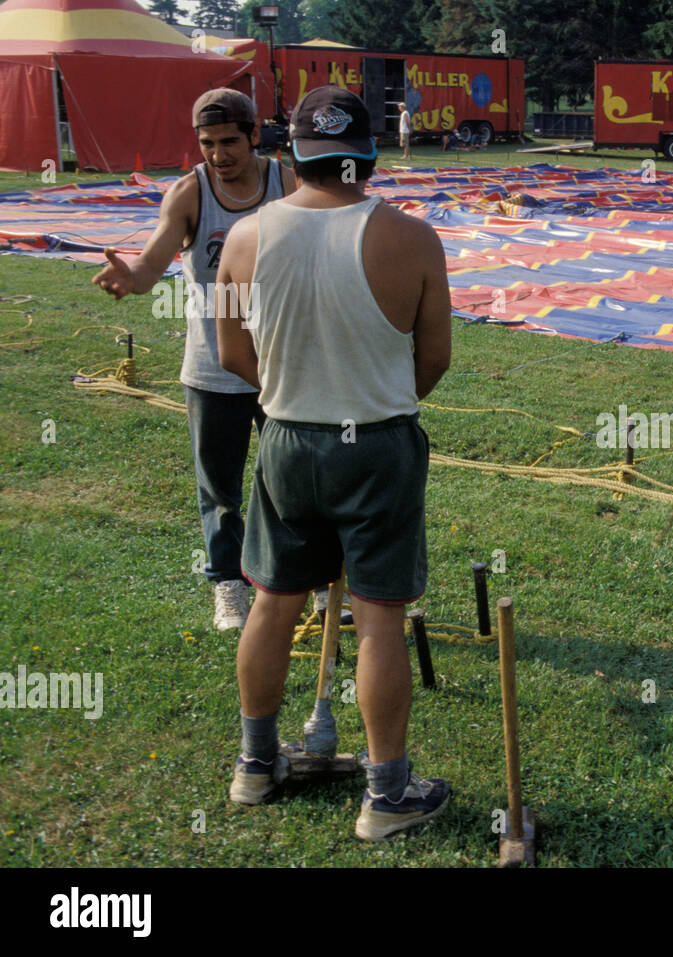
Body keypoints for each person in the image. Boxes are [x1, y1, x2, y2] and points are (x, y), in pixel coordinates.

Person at [214, 86, 453, 841]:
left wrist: (297, 391)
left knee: (272, 599)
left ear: (287, 153)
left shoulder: (242, 241)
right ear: (369, 158)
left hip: (286, 437)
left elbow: (229, 354)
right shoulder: (414, 239)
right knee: (379, 614)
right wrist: (371, 395)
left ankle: (257, 763)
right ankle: (386, 794)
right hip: (376, 442)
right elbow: (434, 357)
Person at [92, 89, 295, 632]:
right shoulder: (189, 193)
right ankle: (228, 584)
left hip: (282, 360)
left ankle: (311, 582)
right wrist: (131, 278)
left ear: (255, 135)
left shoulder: (286, 182)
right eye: (208, 144)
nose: (219, 154)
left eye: (230, 141)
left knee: (296, 477)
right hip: (213, 368)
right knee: (221, 488)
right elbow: (153, 260)